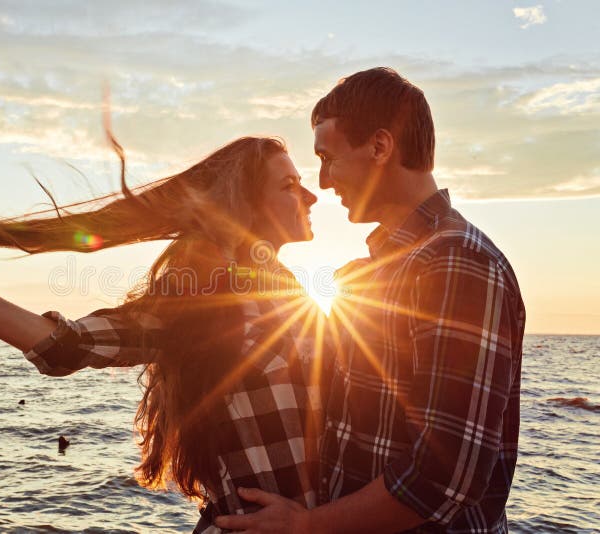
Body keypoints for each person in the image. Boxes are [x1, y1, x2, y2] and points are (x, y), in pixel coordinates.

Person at [0, 136, 337, 533]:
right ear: (245, 204)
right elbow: (67, 346)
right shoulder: (203, 298)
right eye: (289, 186)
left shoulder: (288, 291)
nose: (310, 196)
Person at [216, 68, 526, 533]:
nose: (323, 182)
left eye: (328, 158)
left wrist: (309, 527)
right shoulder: (371, 272)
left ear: (380, 147)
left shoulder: (456, 261)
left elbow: (446, 475)